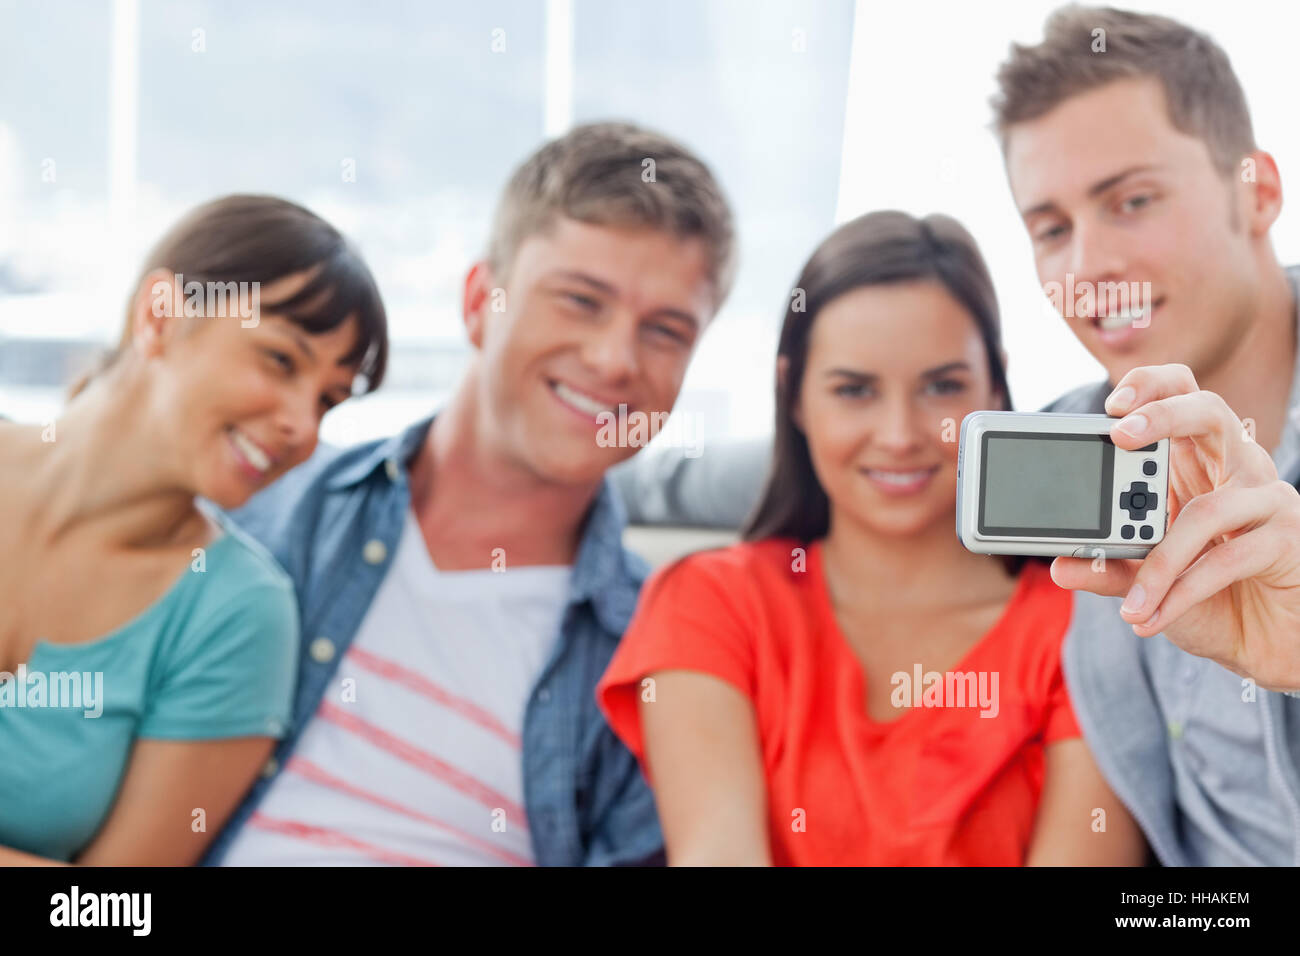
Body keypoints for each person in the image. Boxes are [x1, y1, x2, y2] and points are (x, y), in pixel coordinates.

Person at [610, 5, 1300, 865]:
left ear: (1259, 190)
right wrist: (583, 471)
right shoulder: (1071, 451)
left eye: (1133, 200)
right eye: (1051, 227)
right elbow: (851, 460)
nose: (1087, 266)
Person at [203, 121, 736, 866]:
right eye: (581, 301)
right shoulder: (270, 503)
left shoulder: (661, 661)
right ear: (481, 300)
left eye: (667, 331)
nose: (615, 360)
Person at [597, 210, 1145, 865]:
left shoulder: (1082, 622)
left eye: (942, 386)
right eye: (854, 390)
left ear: (995, 387)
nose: (898, 435)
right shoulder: (710, 605)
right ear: (794, 397)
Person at [0, 194, 390, 864]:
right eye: (280, 360)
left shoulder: (237, 613)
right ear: (160, 315)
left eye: (329, 398)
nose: (303, 424)